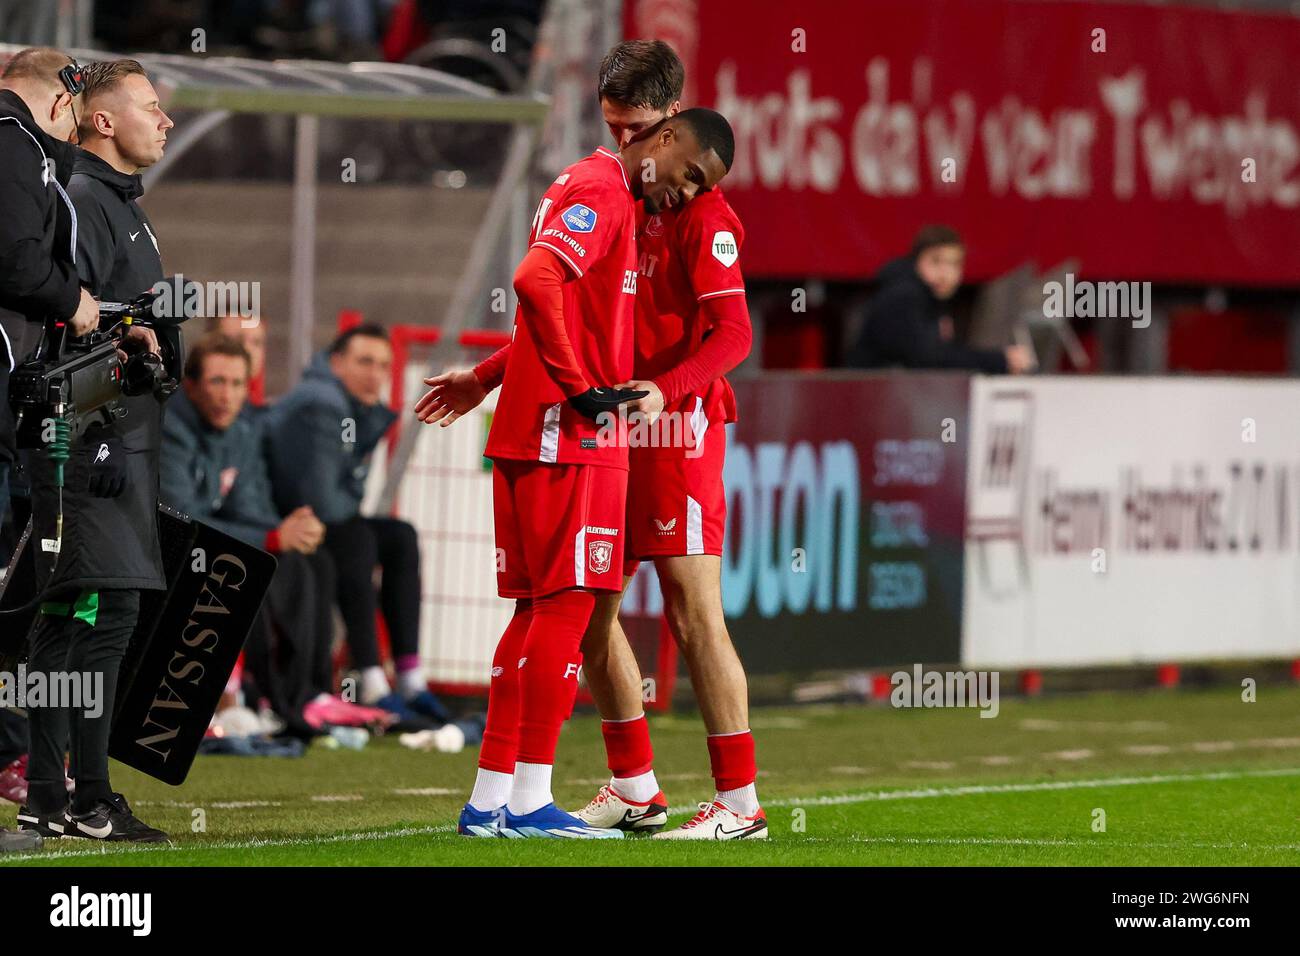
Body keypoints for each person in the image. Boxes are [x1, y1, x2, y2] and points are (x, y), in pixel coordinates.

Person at [417, 42, 765, 840]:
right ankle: (635, 785)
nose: (623, 140)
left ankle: (740, 803)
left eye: (636, 126)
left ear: (672, 124)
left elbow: (733, 333)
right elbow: (586, 316)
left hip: (670, 424)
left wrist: (664, 392)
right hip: (603, 417)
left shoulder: (700, 208)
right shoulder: (616, 189)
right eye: (612, 125)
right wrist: (496, 373)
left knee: (689, 608)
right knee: (587, 607)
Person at [16, 58, 174, 844]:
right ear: (102, 120)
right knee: (97, 614)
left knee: (72, 615)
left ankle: (51, 794)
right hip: (88, 448)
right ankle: (86, 797)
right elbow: (59, 325)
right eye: (150, 107)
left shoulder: (116, 203)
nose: (166, 120)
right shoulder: (85, 198)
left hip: (111, 445)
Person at [160, 333, 389, 738]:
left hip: (213, 542)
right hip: (168, 552)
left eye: (237, 385)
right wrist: (269, 538)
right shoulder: (171, 429)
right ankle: (259, 695)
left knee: (310, 560)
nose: (227, 395)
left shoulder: (241, 432)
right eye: (217, 382)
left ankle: (306, 694)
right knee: (255, 563)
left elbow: (253, 507)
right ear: (191, 385)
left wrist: (288, 530)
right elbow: (181, 522)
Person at [262, 324, 445, 723]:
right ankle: (373, 680)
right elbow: (326, 503)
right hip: (284, 526)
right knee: (357, 538)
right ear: (336, 362)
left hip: (313, 522)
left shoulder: (345, 403)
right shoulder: (323, 403)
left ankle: (410, 677)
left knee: (400, 537)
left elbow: (342, 495)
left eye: (383, 365)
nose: (375, 374)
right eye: (364, 362)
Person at [0, 48, 99, 565]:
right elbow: (14, 259)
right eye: (76, 127)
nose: (72, 144)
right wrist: (72, 297)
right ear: (63, 101)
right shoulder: (13, 140)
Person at [846, 224, 1031, 374]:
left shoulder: (934, 300)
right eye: (936, 261)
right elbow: (927, 358)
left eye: (954, 264)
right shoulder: (903, 297)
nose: (945, 273)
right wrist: (998, 360)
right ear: (916, 261)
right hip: (871, 402)